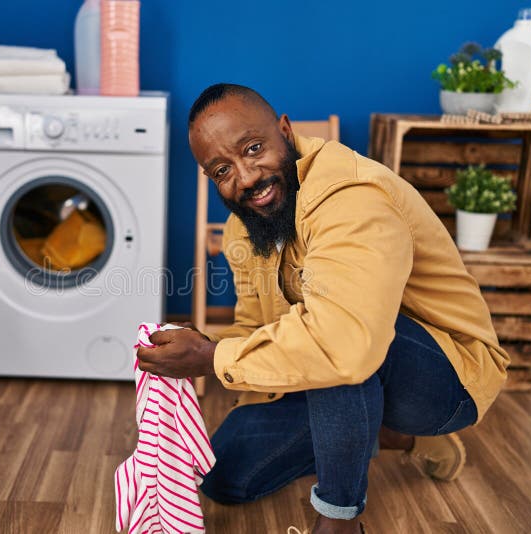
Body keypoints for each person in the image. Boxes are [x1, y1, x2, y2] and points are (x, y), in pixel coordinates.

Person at [135, 83, 509, 534]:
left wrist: (211, 360)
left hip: (447, 378)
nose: (246, 177)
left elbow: (341, 342)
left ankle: (339, 521)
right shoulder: (244, 229)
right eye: (222, 170)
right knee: (223, 476)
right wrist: (209, 346)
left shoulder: (351, 194)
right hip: (348, 364)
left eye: (253, 148)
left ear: (285, 132)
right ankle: (390, 435)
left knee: (335, 344)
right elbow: (256, 326)